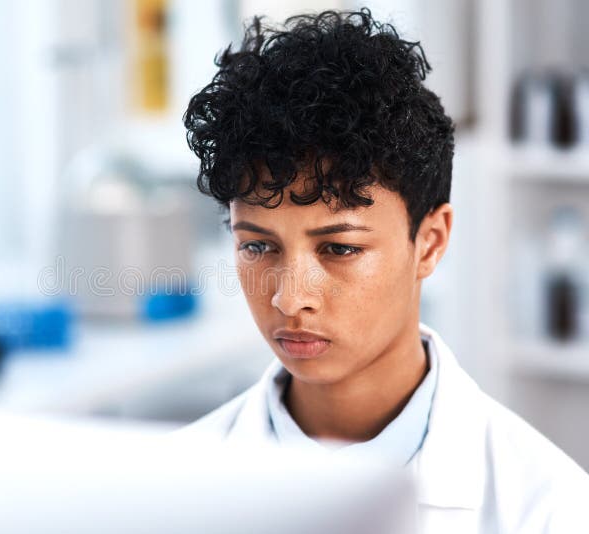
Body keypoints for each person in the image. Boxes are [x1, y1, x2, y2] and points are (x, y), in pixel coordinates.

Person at [178, 8, 589, 533]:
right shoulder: (169, 487)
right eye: (258, 247)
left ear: (430, 242)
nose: (289, 298)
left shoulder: (548, 509)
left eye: (340, 249)